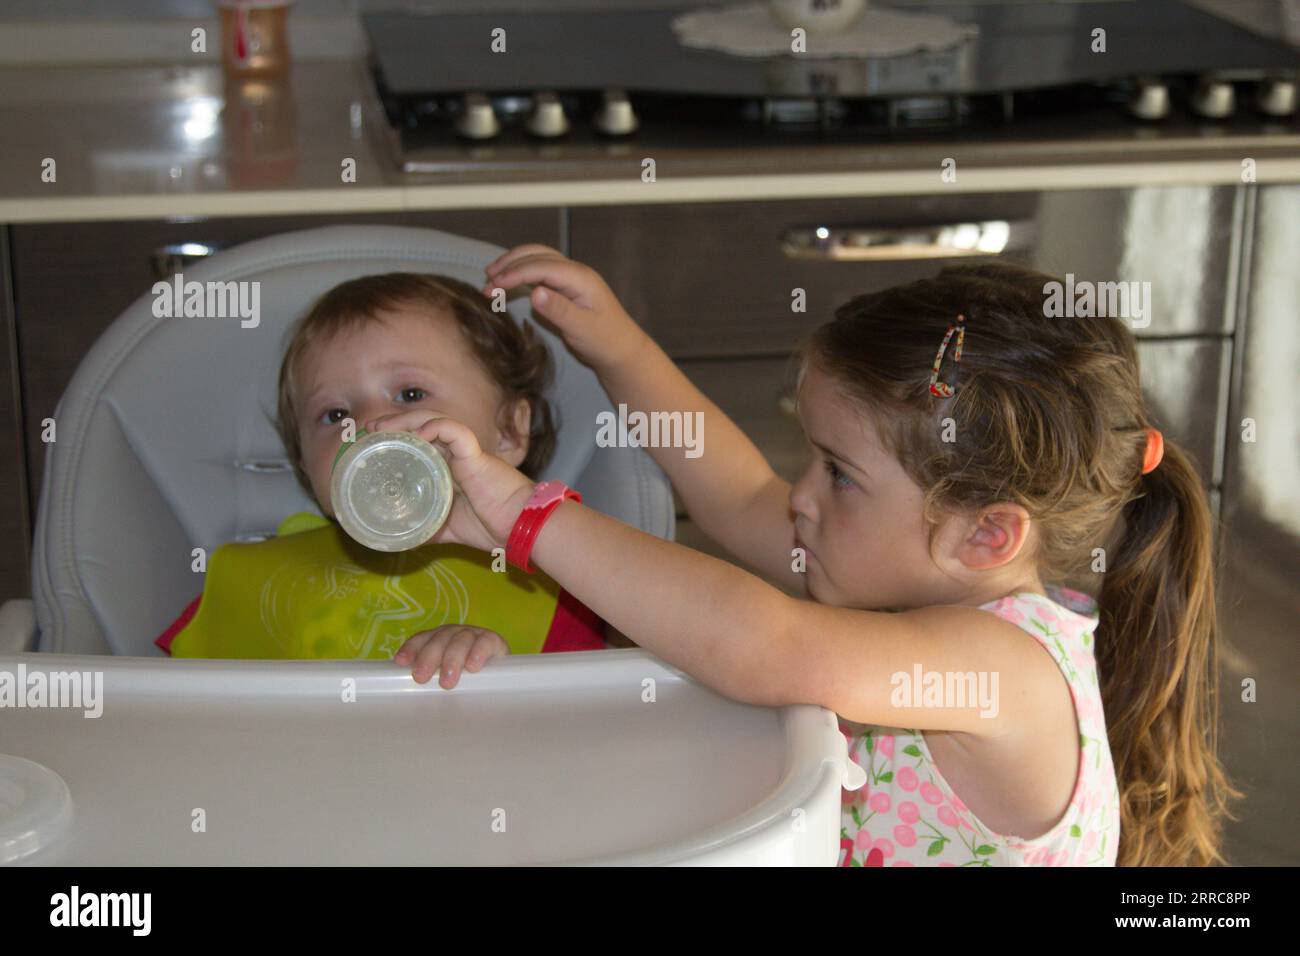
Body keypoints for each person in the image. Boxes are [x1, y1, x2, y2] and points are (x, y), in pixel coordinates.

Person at [377, 245, 1238, 866]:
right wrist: (620, 350)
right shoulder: (893, 574)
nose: (800, 496)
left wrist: (528, 518)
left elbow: (762, 647)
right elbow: (740, 494)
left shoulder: (998, 670)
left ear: (986, 534)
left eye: (839, 473)